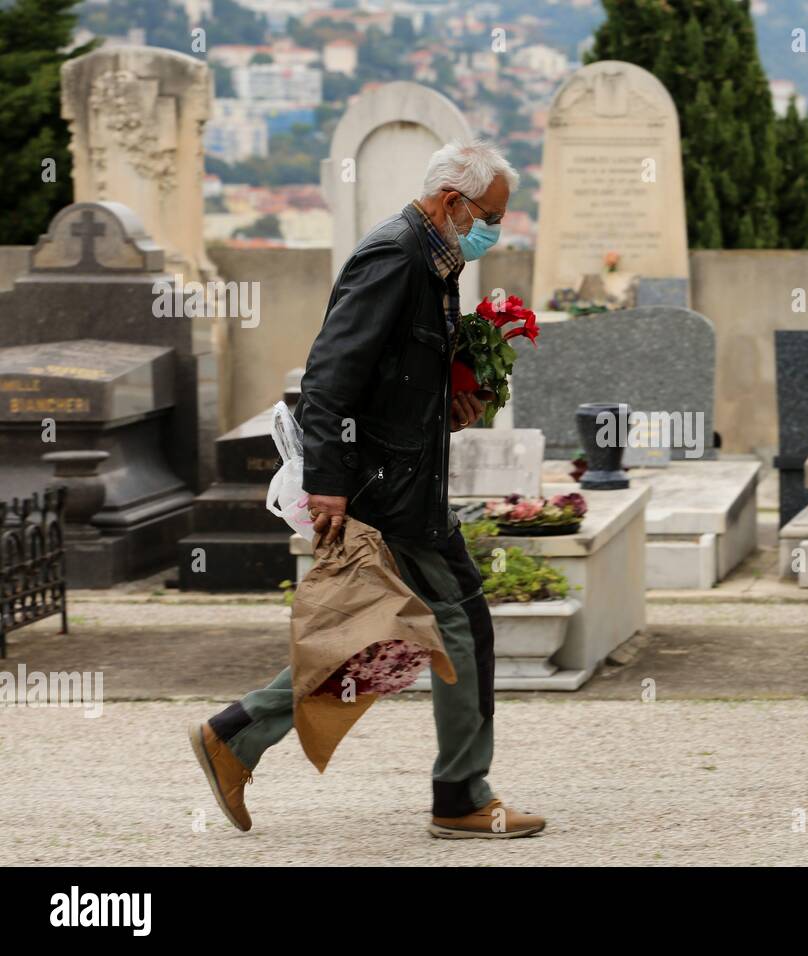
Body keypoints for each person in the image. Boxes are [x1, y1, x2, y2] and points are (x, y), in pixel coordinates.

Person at [188, 139, 545, 839]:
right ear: (450, 202)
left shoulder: (434, 259)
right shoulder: (397, 256)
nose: (493, 231)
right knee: (461, 623)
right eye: (490, 217)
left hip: (403, 476)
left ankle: (236, 734)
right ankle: (461, 796)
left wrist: (451, 400)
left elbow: (394, 374)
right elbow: (329, 377)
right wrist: (327, 484)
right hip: (389, 487)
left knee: (381, 642)